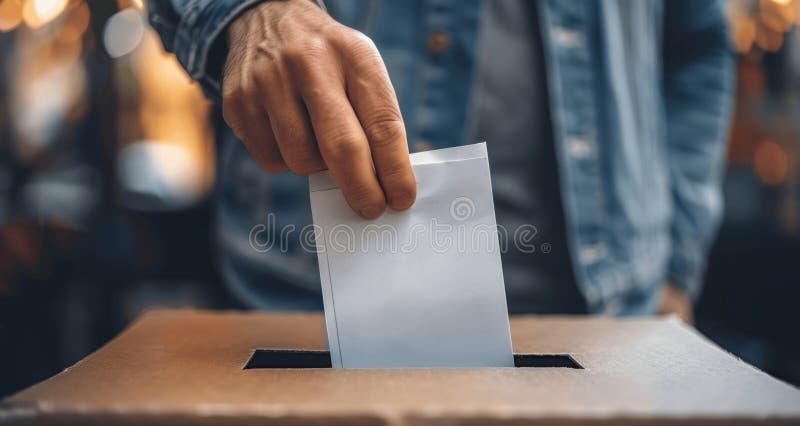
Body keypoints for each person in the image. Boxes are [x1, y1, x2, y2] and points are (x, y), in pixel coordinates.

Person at [147, 0, 734, 321]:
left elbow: (699, 45)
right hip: (310, 306)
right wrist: (251, 9)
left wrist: (677, 261)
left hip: (612, 317)